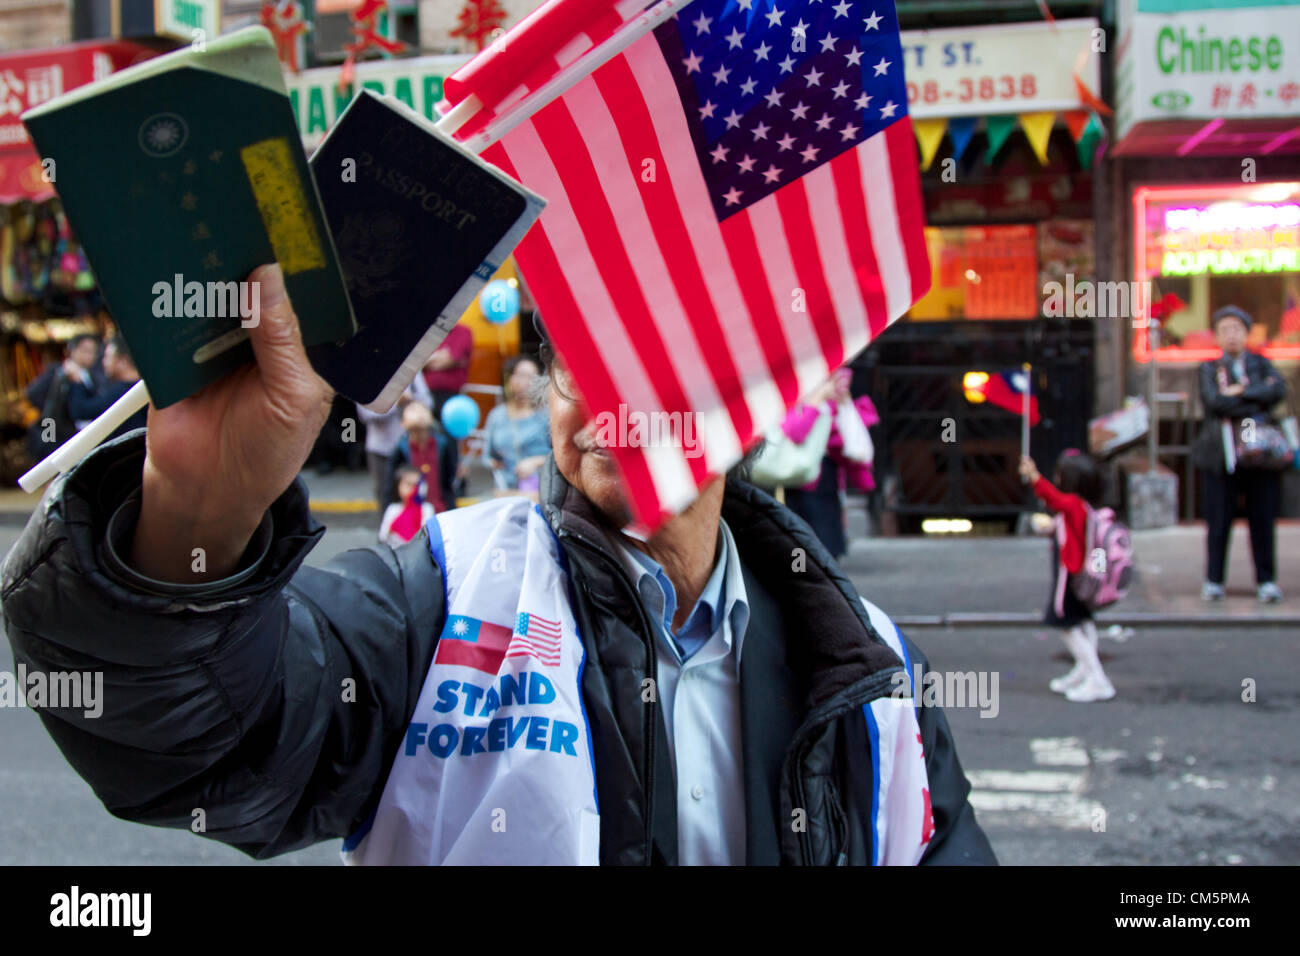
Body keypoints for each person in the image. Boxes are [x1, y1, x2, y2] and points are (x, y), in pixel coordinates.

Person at [1, 262, 994, 866]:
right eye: (572, 356)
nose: (602, 395)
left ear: (752, 390)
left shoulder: (872, 669)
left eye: (649, 354)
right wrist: (194, 512)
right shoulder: (435, 593)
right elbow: (206, 742)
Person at [1192, 306, 1288, 604]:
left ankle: (1266, 580)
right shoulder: (1209, 368)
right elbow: (1214, 402)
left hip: (1260, 455)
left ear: (1247, 333)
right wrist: (1252, 396)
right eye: (1224, 330)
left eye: (1236, 328)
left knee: (1263, 519)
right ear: (1217, 336)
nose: (1231, 335)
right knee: (1218, 521)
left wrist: (1239, 392)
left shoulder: (1262, 364)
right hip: (1222, 456)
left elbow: (1277, 393)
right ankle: (1214, 580)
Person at [1019, 451, 1115, 703]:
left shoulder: (1072, 504)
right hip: (1083, 577)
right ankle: (1083, 671)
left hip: (1070, 578)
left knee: (1066, 626)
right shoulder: (1083, 506)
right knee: (1084, 623)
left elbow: (1053, 499)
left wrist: (1033, 476)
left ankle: (1097, 678)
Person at [781, 368, 878, 559]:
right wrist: (818, 400)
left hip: (826, 479)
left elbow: (852, 445)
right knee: (806, 542)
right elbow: (796, 433)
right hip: (801, 478)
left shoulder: (834, 404)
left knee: (826, 546)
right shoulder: (802, 401)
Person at [23, 333, 100, 459]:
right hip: (58, 433)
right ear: (73, 350)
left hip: (82, 435)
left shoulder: (94, 375)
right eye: (85, 350)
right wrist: (51, 409)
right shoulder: (59, 371)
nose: (89, 355)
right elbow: (33, 393)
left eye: (92, 352)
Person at [483, 354, 550, 493]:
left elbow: (561, 456)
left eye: (533, 377)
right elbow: (487, 456)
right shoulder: (497, 416)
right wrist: (495, 464)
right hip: (507, 490)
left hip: (542, 489)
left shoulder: (546, 414)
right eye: (521, 375)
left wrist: (535, 462)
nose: (527, 382)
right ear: (509, 378)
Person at [383, 401, 457, 514]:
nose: (419, 435)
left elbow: (450, 477)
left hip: (440, 507)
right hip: (412, 512)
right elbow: (390, 485)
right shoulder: (401, 449)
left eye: (423, 430)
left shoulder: (441, 445)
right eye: (414, 431)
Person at [66, 337, 147, 439]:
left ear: (124, 360)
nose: (104, 362)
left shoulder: (121, 391)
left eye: (108, 357)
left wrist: (77, 382)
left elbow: (81, 410)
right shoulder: (144, 387)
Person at [421, 323, 473, 420]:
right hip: (424, 394)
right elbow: (419, 360)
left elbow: (451, 358)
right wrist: (441, 356)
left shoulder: (462, 331)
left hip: (451, 395)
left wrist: (428, 360)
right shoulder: (430, 331)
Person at [379, 466, 436, 548]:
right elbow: (382, 536)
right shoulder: (393, 508)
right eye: (408, 484)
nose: (413, 489)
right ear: (398, 486)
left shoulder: (426, 508)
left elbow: (427, 536)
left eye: (417, 485)